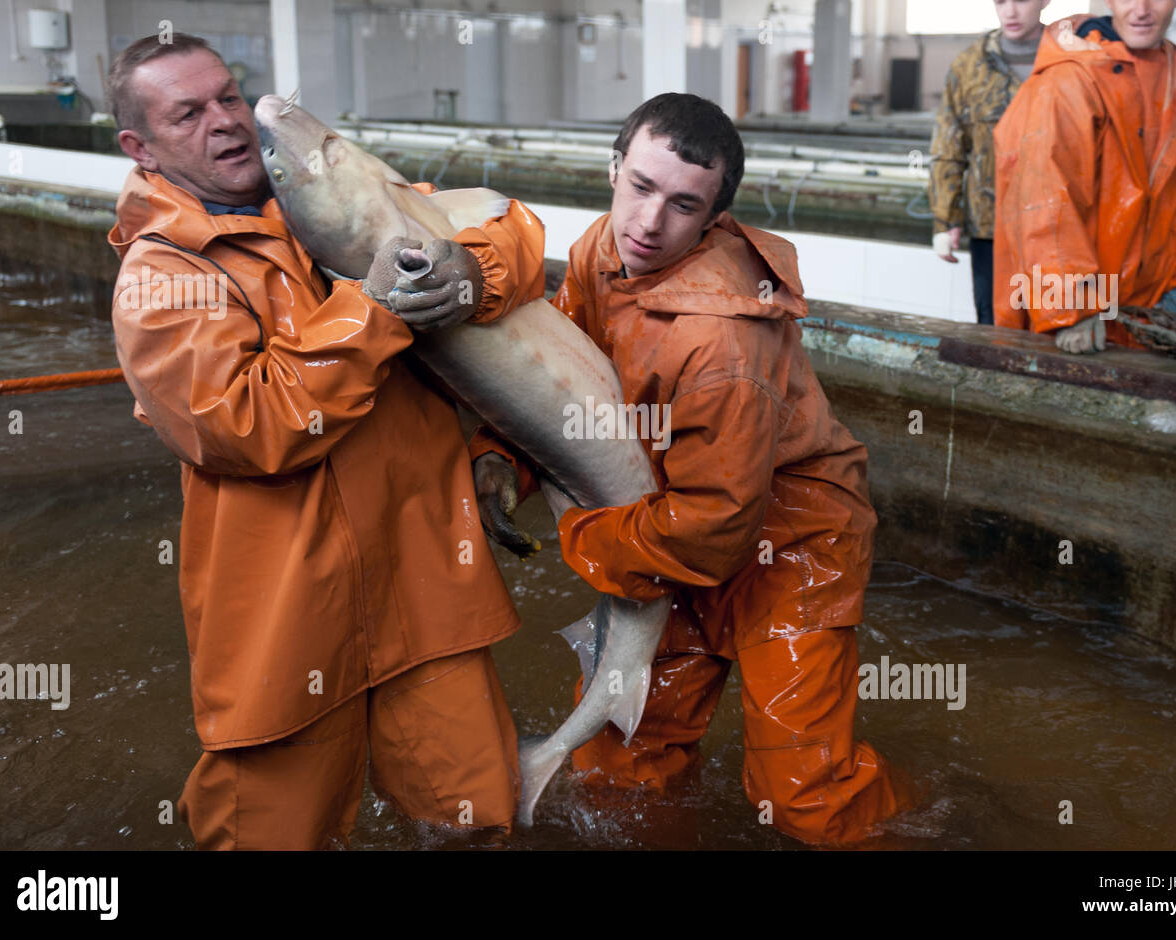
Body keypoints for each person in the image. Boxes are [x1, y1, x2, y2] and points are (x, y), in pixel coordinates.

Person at [106, 33, 545, 849]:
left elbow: (509, 227)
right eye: (189, 113)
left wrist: (471, 275)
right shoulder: (163, 277)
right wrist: (372, 311)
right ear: (142, 148)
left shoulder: (319, 199)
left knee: (477, 820)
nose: (226, 122)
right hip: (286, 616)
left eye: (229, 97)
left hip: (425, 591)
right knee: (270, 837)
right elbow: (252, 426)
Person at [472, 93, 909, 846]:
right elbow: (558, 378)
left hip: (789, 536)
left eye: (682, 205)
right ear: (613, 169)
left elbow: (715, 528)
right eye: (640, 187)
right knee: (620, 769)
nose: (648, 223)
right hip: (661, 515)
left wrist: (584, 537)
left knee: (805, 796)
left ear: (712, 219)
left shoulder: (721, 346)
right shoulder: (600, 252)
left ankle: (935, 829)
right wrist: (501, 459)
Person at [993, 1, 1176, 353]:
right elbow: (1046, 197)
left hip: (1149, 311)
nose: (1141, 9)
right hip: (1076, 317)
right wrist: (1071, 305)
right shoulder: (1069, 79)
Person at [930, 0, 1052, 324]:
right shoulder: (970, 65)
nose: (1010, 12)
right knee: (994, 324)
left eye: (1021, 1)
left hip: (1057, 226)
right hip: (990, 225)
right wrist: (946, 218)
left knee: (1056, 324)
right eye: (1000, 2)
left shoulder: (1068, 60)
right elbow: (949, 143)